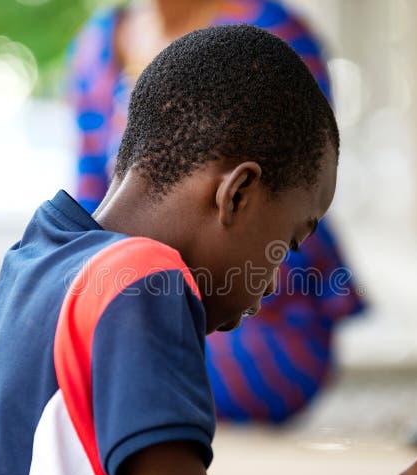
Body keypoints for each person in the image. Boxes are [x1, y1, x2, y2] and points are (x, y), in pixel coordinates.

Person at [0, 25, 417, 475]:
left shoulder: (41, 257)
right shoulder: (144, 284)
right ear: (237, 194)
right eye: (290, 240)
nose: (275, 281)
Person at [69, 0, 365, 423]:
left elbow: (298, 192)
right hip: (146, 301)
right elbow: (89, 203)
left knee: (104, 380)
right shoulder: (97, 47)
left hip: (266, 316)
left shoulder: (267, 32)